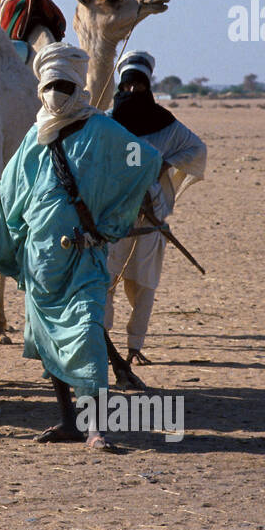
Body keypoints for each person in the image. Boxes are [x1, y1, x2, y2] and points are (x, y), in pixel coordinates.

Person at [0, 43, 161, 449]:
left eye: (62, 84)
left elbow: (144, 161)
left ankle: (96, 429)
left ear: (77, 87)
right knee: (49, 344)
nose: (56, 92)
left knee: (87, 335)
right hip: (40, 262)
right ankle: (68, 422)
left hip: (83, 256)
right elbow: (0, 197)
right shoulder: (35, 138)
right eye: (50, 84)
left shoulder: (102, 130)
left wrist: (110, 217)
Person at [104, 52, 207, 373]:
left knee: (142, 286)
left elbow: (197, 150)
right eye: (128, 84)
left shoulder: (167, 126)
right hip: (111, 221)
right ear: (121, 85)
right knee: (103, 282)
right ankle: (102, 345)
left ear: (148, 86)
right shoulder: (105, 123)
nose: (133, 91)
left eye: (140, 84)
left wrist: (165, 162)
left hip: (148, 223)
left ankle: (135, 347)